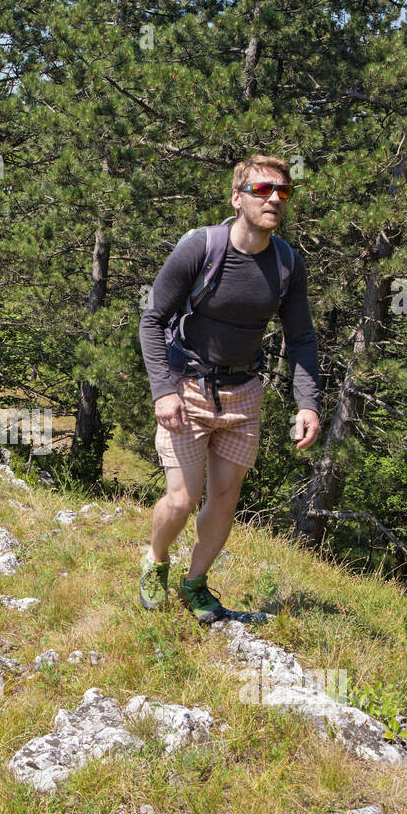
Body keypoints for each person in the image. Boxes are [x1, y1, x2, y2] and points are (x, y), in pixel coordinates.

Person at [137, 153, 323, 623]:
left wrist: (307, 403)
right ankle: (156, 561)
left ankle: (195, 583)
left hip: (244, 393)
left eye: (283, 191)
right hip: (187, 387)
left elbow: (301, 337)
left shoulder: (287, 264)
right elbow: (152, 319)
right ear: (237, 198)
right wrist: (163, 390)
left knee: (224, 497)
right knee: (182, 499)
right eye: (262, 190)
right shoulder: (200, 248)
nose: (274, 199)